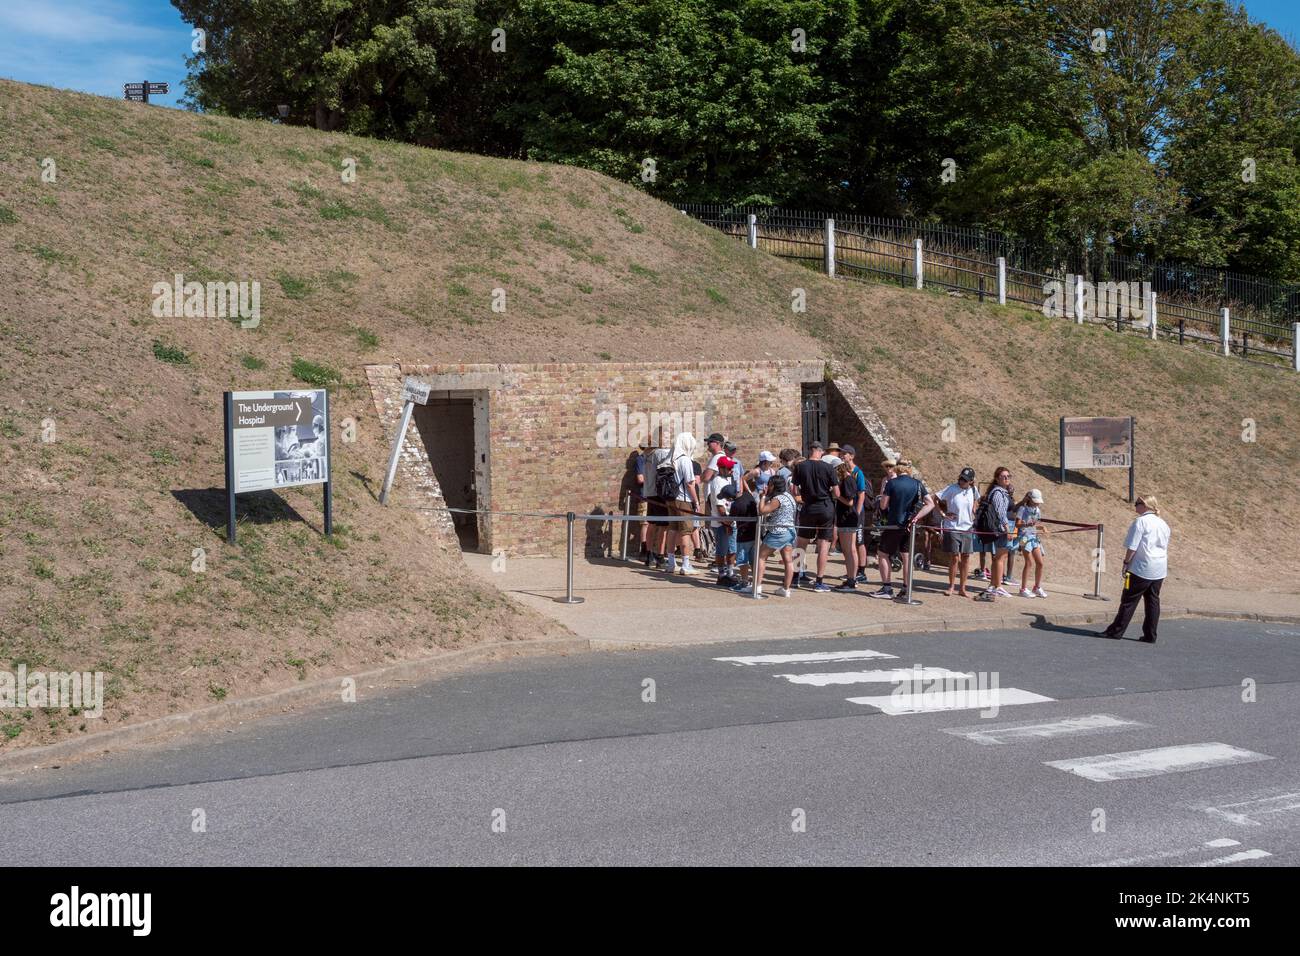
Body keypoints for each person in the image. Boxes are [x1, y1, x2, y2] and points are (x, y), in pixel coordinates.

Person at [1100, 495, 1171, 643]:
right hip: (1159, 568)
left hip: (1141, 567)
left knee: (1129, 600)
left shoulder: (1140, 522)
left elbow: (1132, 546)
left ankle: (1116, 631)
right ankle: (1151, 635)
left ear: (1145, 505)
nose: (1135, 506)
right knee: (1153, 602)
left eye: (1138, 503)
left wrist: (1126, 562)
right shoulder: (1163, 523)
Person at [871, 461, 926, 600]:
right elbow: (930, 503)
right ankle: (906, 589)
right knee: (906, 557)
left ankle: (887, 588)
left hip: (894, 524)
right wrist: (916, 518)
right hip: (910, 525)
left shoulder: (892, 483)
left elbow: (883, 505)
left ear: (897, 468)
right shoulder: (918, 484)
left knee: (882, 553)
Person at [792, 441, 836, 592]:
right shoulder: (828, 467)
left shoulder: (800, 466)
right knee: (823, 545)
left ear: (810, 450)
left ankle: (795, 577)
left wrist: (803, 497)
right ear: (820, 451)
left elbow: (794, 488)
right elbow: (836, 492)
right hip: (825, 507)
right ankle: (819, 581)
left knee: (801, 543)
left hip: (808, 506)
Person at [935, 467, 978, 598]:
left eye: (965, 480)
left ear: (971, 481)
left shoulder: (973, 490)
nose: (961, 481)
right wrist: (943, 514)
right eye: (961, 478)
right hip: (953, 527)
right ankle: (951, 586)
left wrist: (973, 511)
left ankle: (962, 588)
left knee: (965, 557)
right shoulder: (952, 488)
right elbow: (935, 498)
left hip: (967, 528)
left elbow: (976, 500)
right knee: (954, 557)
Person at [974, 467, 1015, 601]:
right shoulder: (998, 492)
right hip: (1001, 529)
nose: (1006, 478)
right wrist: (1007, 528)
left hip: (1000, 528)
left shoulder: (1001, 491)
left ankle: (994, 585)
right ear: (997, 478)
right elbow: (1000, 512)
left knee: (999, 557)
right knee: (1000, 558)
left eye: (1008, 476)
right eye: (1003, 476)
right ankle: (997, 586)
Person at [664, 432, 702, 576]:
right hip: (683, 499)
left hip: (671, 499)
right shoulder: (685, 460)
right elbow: (690, 483)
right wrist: (696, 501)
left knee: (672, 530)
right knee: (686, 531)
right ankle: (686, 564)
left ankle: (671, 563)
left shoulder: (669, 458)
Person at [754, 474, 798, 598]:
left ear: (773, 485)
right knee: (788, 560)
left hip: (778, 532)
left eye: (769, 484)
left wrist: (762, 497)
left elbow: (762, 510)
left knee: (761, 557)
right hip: (790, 531)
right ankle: (786, 589)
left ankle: (757, 586)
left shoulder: (778, 499)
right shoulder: (789, 496)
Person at [643, 427, 673, 570]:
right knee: (663, 526)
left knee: (652, 523)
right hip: (660, 493)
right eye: (666, 437)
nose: (668, 440)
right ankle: (659, 555)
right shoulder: (662, 453)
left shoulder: (648, 453)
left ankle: (649, 554)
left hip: (649, 491)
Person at [831, 457, 861, 591]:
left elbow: (850, 502)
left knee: (849, 550)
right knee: (850, 550)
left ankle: (851, 580)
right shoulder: (847, 480)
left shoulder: (847, 480)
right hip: (847, 518)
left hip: (848, 518)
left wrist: (837, 496)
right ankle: (851, 578)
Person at [1013, 489, 1048, 598]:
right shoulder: (1022, 509)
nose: (1037, 503)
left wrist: (1041, 527)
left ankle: (1037, 587)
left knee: (1040, 563)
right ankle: (1023, 589)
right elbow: (1017, 524)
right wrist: (1026, 524)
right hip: (1024, 538)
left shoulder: (1037, 510)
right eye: (1035, 501)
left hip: (1033, 537)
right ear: (1029, 499)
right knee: (1029, 562)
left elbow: (1034, 524)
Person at [729, 474, 759, 592]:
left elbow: (730, 521)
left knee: (742, 560)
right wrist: (742, 478)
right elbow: (746, 488)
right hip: (754, 533)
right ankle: (756, 582)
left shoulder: (735, 505)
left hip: (743, 535)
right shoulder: (748, 496)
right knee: (753, 559)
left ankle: (744, 582)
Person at [708, 467, 738, 585]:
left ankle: (730, 573)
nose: (732, 470)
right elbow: (720, 507)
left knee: (732, 548)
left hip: (730, 522)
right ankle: (721, 575)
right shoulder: (718, 482)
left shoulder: (728, 480)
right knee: (721, 550)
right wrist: (726, 522)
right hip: (721, 524)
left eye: (732, 468)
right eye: (729, 468)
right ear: (722, 469)